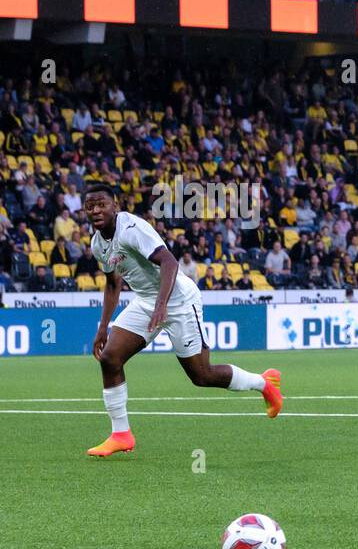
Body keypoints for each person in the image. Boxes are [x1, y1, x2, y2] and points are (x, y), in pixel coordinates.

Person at [82, 184, 282, 457]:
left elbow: (169, 262)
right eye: (90, 206)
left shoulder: (131, 229)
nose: (95, 210)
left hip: (177, 300)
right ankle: (121, 434)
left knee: (202, 375)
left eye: (101, 204)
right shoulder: (97, 244)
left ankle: (264, 383)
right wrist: (103, 327)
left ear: (114, 205)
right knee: (110, 358)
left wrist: (162, 305)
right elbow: (112, 284)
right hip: (146, 302)